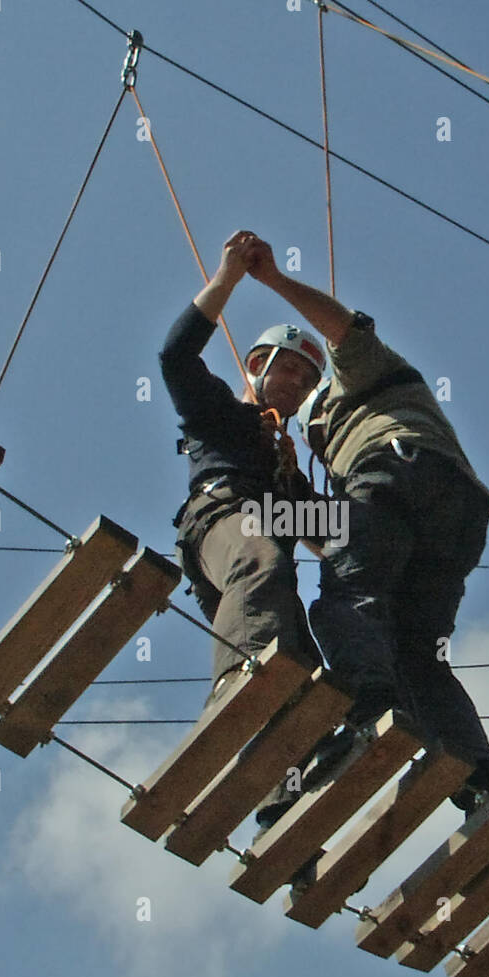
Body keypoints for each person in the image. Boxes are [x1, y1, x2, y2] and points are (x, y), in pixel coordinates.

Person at [241, 236, 489, 814]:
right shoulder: (341, 458)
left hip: (401, 472)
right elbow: (343, 537)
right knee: (419, 656)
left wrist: (273, 279)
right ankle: (479, 776)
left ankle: (368, 704)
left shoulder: (361, 374)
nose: (315, 423)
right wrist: (277, 487)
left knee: (345, 603)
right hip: (452, 519)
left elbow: (343, 329)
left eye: (305, 383)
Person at [159, 229, 326, 706]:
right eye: (289, 369)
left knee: (303, 659)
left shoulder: (286, 474)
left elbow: (338, 533)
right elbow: (176, 357)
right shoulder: (221, 413)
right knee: (261, 561)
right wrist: (226, 279)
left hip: (264, 562)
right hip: (223, 520)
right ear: (256, 365)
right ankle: (241, 688)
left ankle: (305, 732)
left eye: (307, 380)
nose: (297, 384)